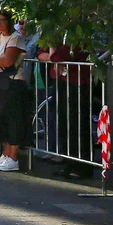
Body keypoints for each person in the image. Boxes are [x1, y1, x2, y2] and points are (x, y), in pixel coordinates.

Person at [0, 8, 30, 172]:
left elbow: (8, 61)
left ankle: (13, 157)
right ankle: (5, 155)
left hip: (13, 84)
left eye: (1, 20)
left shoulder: (15, 38)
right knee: (1, 120)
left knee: (13, 121)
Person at [39, 39, 94, 179]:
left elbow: (58, 57)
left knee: (76, 126)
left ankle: (81, 166)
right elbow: (40, 53)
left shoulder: (75, 39)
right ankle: (70, 163)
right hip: (63, 81)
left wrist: (51, 53)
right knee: (64, 124)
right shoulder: (61, 36)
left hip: (77, 84)